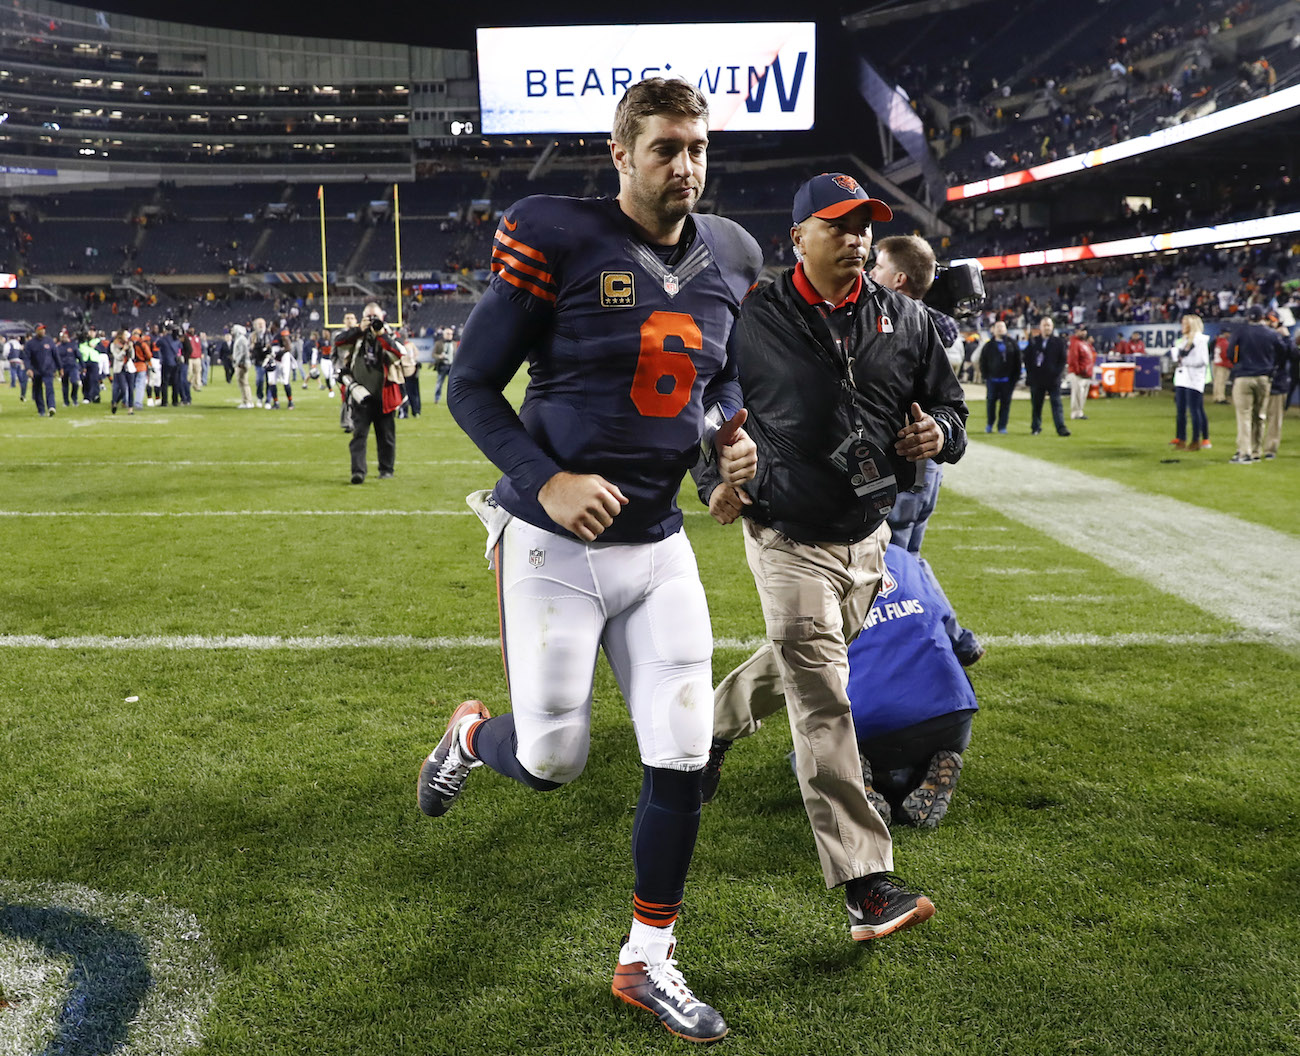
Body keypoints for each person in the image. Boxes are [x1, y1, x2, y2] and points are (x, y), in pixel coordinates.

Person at [418, 77, 762, 1043]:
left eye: (697, 147)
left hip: (658, 547)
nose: (685, 164)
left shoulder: (732, 252)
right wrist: (548, 478)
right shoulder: (559, 234)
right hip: (553, 543)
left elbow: (714, 375)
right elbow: (470, 384)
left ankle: (648, 960)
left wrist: (730, 448)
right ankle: (470, 737)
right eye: (665, 148)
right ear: (620, 154)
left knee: (683, 755)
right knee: (553, 758)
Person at [696, 172, 967, 950]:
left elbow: (951, 412)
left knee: (801, 663)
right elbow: (702, 405)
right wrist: (717, 478)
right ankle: (864, 884)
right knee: (824, 697)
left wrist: (936, 438)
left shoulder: (909, 320)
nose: (855, 239)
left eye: (864, 227)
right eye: (839, 226)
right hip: (786, 534)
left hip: (867, 537)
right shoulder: (752, 318)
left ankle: (707, 731)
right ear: (799, 238)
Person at [868, 234, 983, 666]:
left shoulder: (905, 321)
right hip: (928, 464)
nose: (869, 274)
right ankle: (958, 639)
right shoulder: (940, 323)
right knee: (907, 559)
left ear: (897, 280)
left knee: (890, 564)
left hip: (907, 462)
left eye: (877, 267)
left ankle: (922, 650)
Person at [843, 543, 978, 828]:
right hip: (953, 715)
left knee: (811, 752)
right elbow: (947, 621)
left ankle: (859, 783)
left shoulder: (814, 567)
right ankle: (924, 771)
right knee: (913, 744)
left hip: (873, 722)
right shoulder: (903, 556)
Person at [335, 303, 408, 482]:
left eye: (376, 317)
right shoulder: (357, 334)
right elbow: (338, 342)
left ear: (382, 317)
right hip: (361, 394)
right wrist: (359, 329)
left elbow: (397, 354)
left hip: (385, 395)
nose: (373, 320)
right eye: (370, 317)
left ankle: (386, 469)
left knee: (386, 436)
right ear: (363, 318)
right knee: (359, 435)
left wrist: (381, 334)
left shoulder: (390, 334)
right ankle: (358, 472)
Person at [1227, 305, 1284, 463]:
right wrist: (1271, 367)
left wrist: (1238, 365)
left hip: (1243, 376)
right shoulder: (1271, 334)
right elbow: (1282, 352)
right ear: (1262, 317)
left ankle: (1244, 453)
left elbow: (1231, 353)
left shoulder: (1241, 331)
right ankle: (1256, 452)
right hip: (1264, 378)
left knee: (1244, 415)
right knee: (1259, 416)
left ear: (1247, 317)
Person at [1024, 316, 1070, 436]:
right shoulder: (1034, 341)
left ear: (1052, 327)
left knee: (1056, 404)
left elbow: (1062, 360)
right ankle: (1035, 427)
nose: (1046, 328)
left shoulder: (1059, 342)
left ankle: (1061, 428)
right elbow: (1027, 359)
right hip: (1037, 380)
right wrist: (1031, 375)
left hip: (1053, 380)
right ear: (1040, 327)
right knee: (1036, 406)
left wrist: (1056, 373)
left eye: (1048, 325)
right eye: (1044, 325)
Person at [1170, 314, 1210, 451]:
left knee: (1194, 410)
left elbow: (1202, 361)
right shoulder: (1184, 340)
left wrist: (1185, 361)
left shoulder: (1200, 340)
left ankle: (1195, 441)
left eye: (1185, 323)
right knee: (1180, 411)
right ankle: (1181, 439)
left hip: (1194, 379)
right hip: (1182, 378)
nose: (1182, 326)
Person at [1262, 328, 1299, 460]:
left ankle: (1266, 449)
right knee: (1257, 418)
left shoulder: (1281, 342)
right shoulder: (1264, 337)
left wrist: (1287, 338)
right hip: (1264, 382)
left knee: (1272, 418)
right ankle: (1252, 449)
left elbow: (1294, 354)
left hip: (1274, 383)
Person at [979, 320, 1019, 433]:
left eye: (1002, 327)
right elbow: (983, 361)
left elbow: (1018, 361)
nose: (1000, 329)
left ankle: (1002, 426)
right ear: (993, 330)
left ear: (1006, 329)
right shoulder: (989, 345)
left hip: (1007, 380)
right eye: (998, 327)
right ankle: (990, 424)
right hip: (992, 380)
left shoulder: (1012, 344)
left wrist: (1015, 378)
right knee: (991, 403)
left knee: (1005, 404)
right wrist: (985, 376)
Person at [24, 323, 60, 417]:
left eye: (43, 329)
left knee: (49, 388)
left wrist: (60, 368)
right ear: (36, 331)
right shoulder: (30, 344)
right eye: (40, 329)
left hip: (48, 369)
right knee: (37, 390)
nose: (42, 331)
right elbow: (27, 358)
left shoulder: (49, 341)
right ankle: (41, 410)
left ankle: (51, 406)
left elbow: (55, 355)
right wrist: (28, 369)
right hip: (36, 370)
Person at [1067, 325, 1096, 420]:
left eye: (1085, 331)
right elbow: (1073, 359)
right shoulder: (1075, 342)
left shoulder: (1083, 343)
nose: (1084, 333)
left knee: (1082, 395)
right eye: (1081, 330)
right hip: (1078, 374)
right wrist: (1078, 371)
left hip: (1085, 373)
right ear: (1076, 331)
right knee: (1077, 394)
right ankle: (1075, 413)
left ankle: (1079, 412)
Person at [230, 323, 254, 407]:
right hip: (242, 363)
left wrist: (239, 362)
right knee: (243, 383)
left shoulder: (241, 339)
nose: (232, 332)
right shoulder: (240, 339)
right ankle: (248, 401)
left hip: (242, 364)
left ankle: (247, 402)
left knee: (243, 383)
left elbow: (243, 352)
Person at [431, 327, 453, 404]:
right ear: (444, 334)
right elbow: (433, 354)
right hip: (443, 365)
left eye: (451, 334)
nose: (450, 335)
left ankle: (453, 399)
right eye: (448, 333)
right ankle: (437, 398)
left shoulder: (454, 343)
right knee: (439, 383)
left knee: (453, 384)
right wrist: (439, 356)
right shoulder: (438, 343)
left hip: (452, 366)